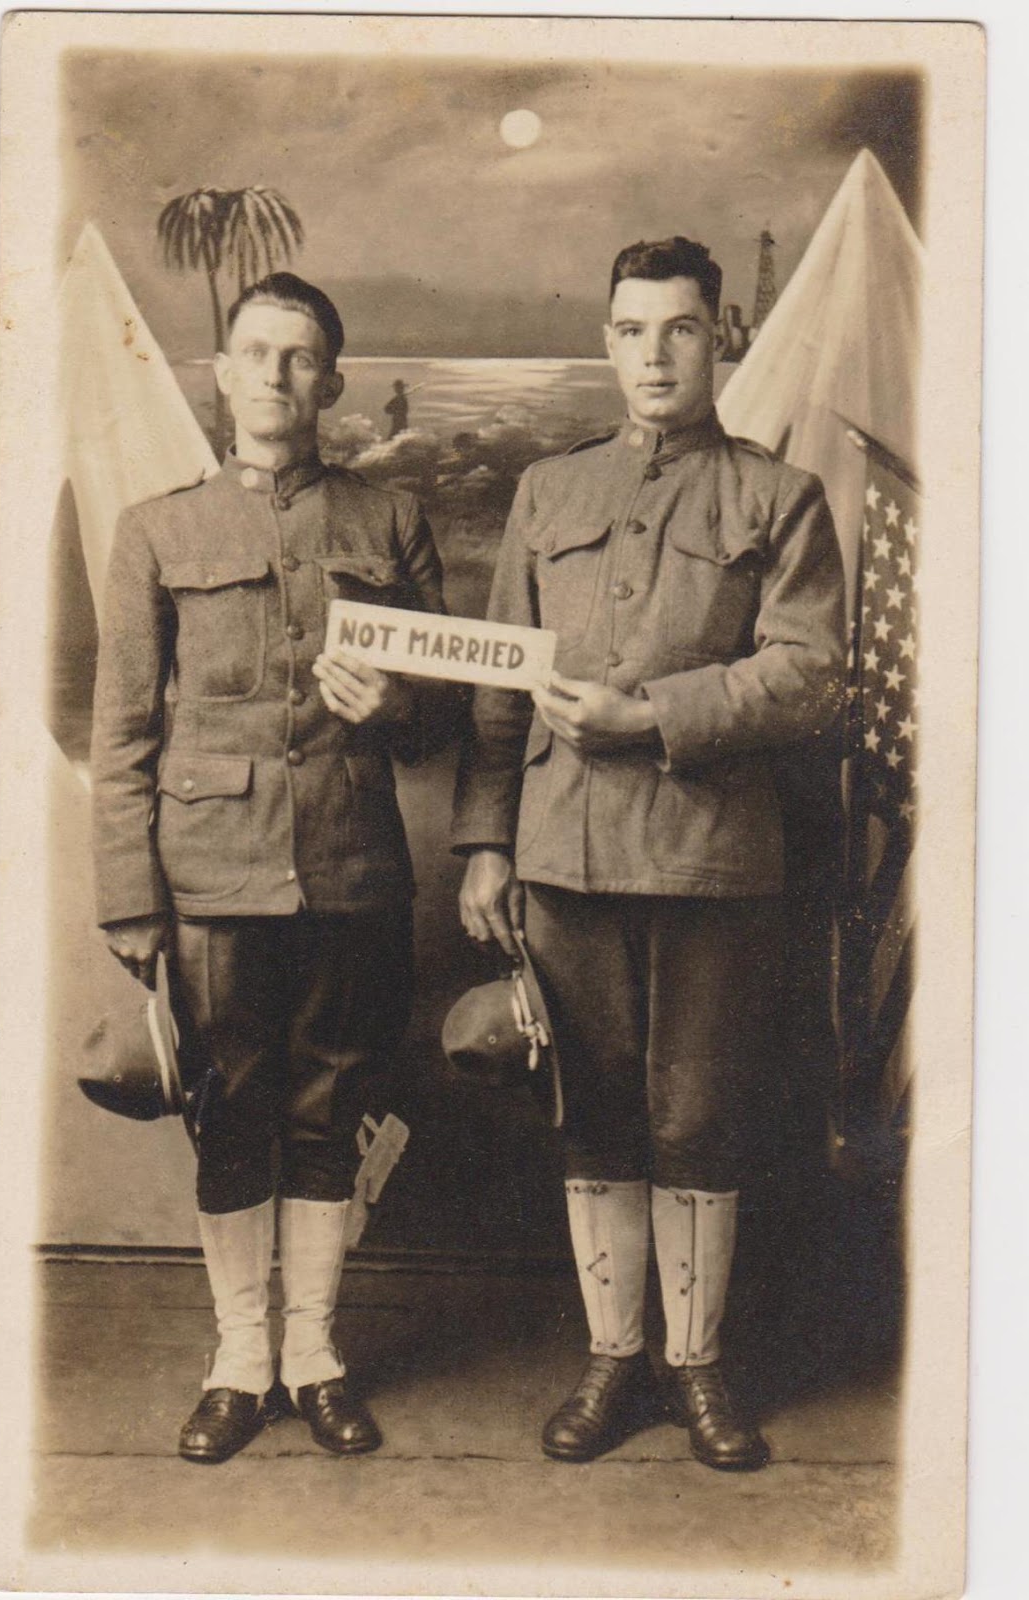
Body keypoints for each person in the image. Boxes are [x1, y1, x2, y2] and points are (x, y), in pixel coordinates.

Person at [452, 236, 845, 1471]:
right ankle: (613, 1356)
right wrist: (483, 843)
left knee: (699, 1116)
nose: (654, 354)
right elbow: (502, 685)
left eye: (679, 328)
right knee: (592, 1112)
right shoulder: (547, 491)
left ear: (716, 335)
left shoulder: (776, 496)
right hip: (562, 856)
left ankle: (697, 1365)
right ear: (606, 341)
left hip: (710, 858)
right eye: (631, 330)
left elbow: (809, 673)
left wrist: (651, 714)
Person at [91, 271, 459, 1465]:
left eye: (299, 357)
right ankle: (239, 1359)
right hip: (211, 877)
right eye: (255, 352)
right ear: (222, 374)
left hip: (352, 868)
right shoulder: (158, 530)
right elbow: (122, 734)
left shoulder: (387, 520)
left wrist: (395, 703)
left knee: (330, 1112)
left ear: (331, 383)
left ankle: (313, 1355)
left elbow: (446, 718)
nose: (275, 375)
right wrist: (129, 895)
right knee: (230, 1115)